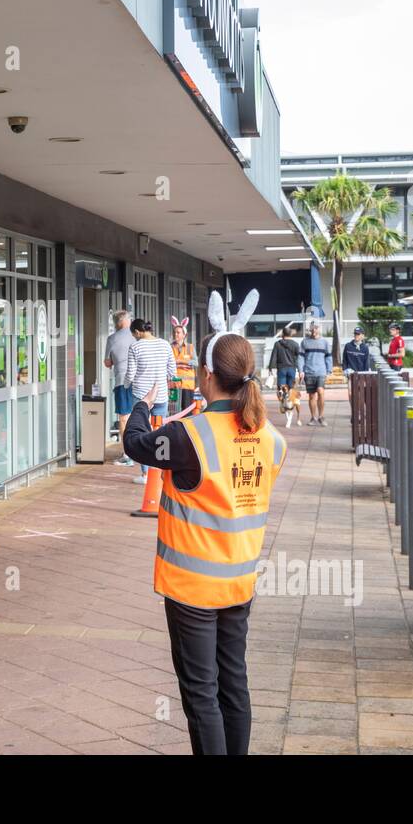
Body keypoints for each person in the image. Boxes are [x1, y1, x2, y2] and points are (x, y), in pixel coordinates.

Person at [122, 332, 286, 755]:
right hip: (239, 582)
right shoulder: (271, 438)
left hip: (192, 587)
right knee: (234, 682)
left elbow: (135, 443)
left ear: (207, 375)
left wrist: (142, 405)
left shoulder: (188, 436)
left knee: (201, 694)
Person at [124, 319, 176, 484]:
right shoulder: (165, 344)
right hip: (160, 394)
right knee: (160, 432)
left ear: (138, 332)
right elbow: (172, 371)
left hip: (141, 396)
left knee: (142, 432)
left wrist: (125, 385)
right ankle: (159, 471)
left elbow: (130, 374)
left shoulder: (135, 347)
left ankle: (146, 474)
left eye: (134, 335)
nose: (134, 338)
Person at [103, 309, 136, 466]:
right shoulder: (137, 335)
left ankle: (127, 454)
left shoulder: (111, 339)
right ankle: (141, 451)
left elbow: (107, 362)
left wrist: (116, 359)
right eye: (129, 319)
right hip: (139, 381)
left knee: (124, 418)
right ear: (124, 321)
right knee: (141, 415)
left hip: (121, 381)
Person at [299, 323, 332, 426]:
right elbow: (301, 357)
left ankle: (321, 416)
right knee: (312, 396)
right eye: (311, 330)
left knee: (321, 392)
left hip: (321, 371)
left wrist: (329, 370)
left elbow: (328, 357)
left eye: (315, 330)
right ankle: (313, 417)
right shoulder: (304, 342)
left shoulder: (325, 342)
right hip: (309, 371)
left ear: (319, 329)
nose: (313, 332)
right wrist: (301, 370)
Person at [170, 316, 197, 412]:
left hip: (187, 385)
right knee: (173, 410)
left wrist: (181, 362)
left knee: (187, 411)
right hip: (173, 384)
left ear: (184, 334)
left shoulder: (190, 347)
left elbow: (195, 363)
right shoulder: (169, 347)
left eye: (178, 332)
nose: (175, 334)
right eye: (174, 332)